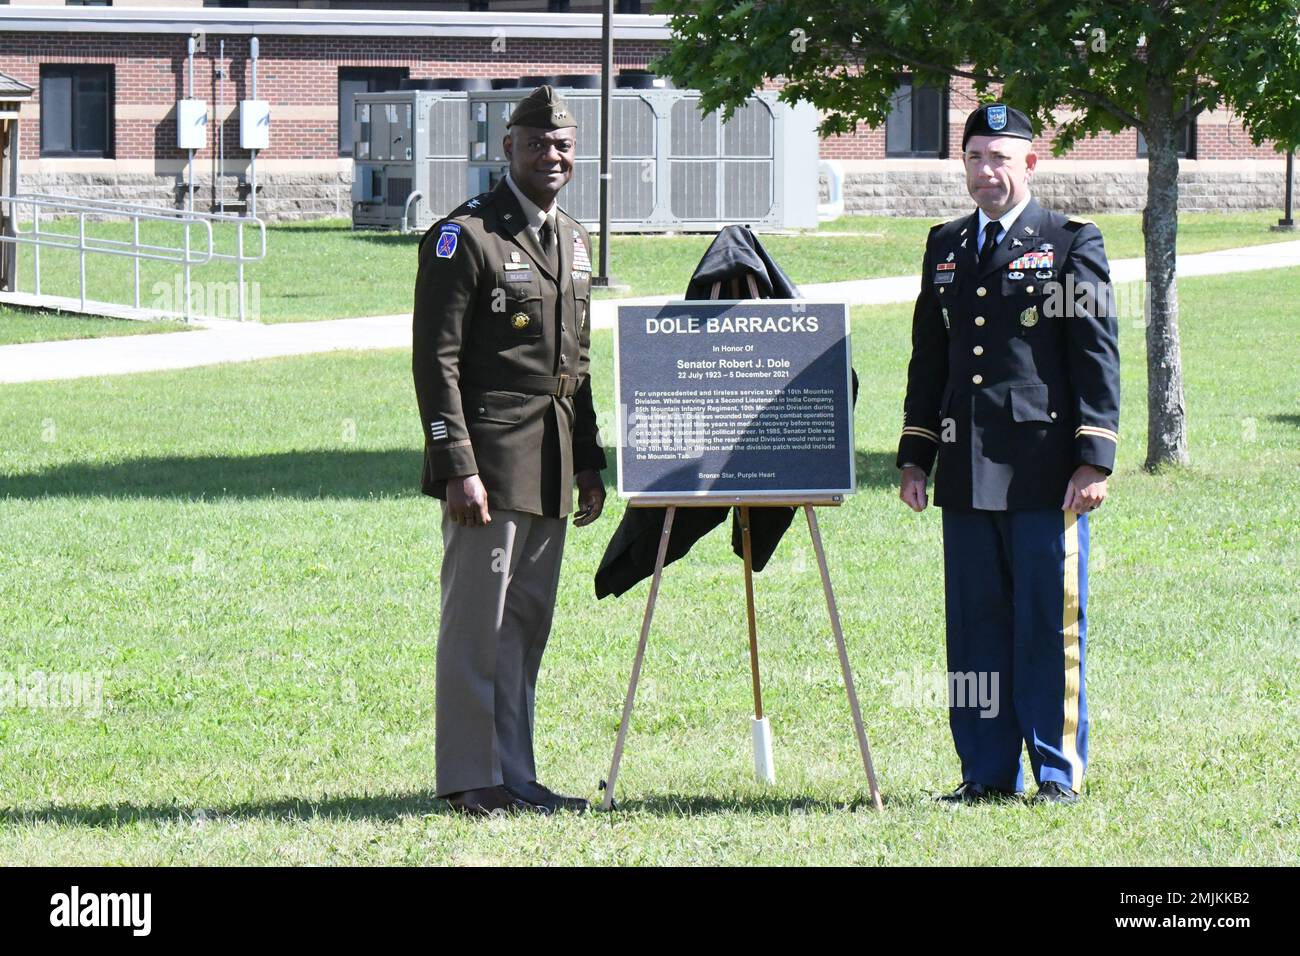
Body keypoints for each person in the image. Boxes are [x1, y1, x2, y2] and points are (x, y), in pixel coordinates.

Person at [896, 103, 1119, 804]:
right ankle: (986, 773)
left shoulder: (1070, 242)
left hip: (1044, 469)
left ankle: (1057, 773)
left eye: (1000, 157)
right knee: (974, 632)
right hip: (965, 470)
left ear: (1030, 162)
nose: (985, 171)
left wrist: (1095, 457)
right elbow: (929, 359)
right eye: (974, 158)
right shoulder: (946, 244)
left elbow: (1096, 355)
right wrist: (915, 454)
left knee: (1046, 628)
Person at [412, 85, 606, 816]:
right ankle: (470, 778)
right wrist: (456, 466)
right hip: (490, 462)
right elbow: (437, 361)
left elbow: (576, 365)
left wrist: (588, 460)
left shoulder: (574, 238)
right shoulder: (465, 236)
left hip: (551, 461)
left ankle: (515, 774)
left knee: (524, 624)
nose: (551, 156)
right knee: (478, 628)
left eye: (562, 145)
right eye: (536, 144)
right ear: (508, 149)